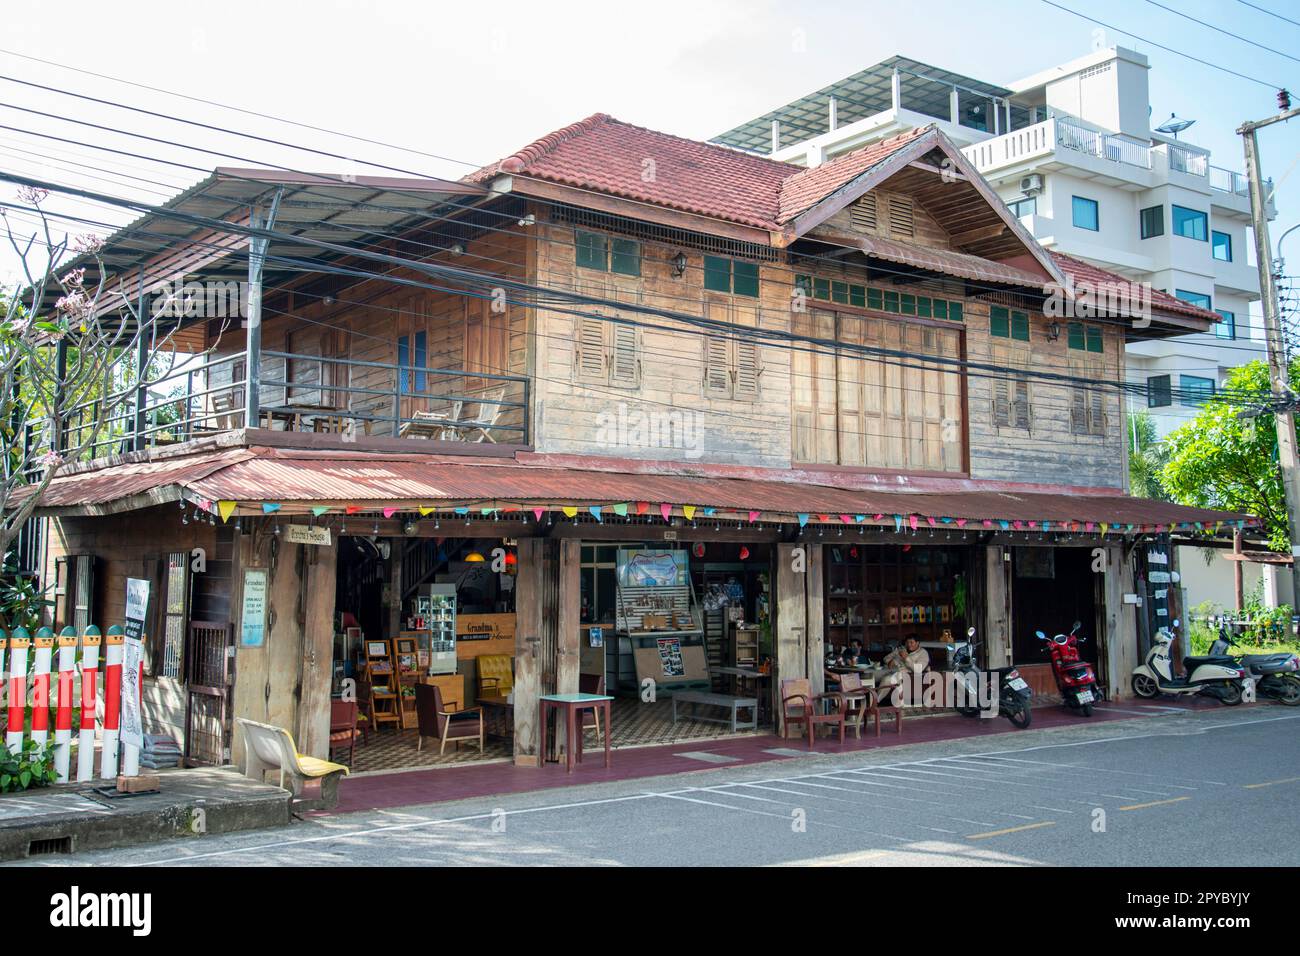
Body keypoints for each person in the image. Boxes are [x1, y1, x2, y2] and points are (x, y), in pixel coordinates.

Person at [878, 634, 930, 705]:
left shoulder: (923, 653)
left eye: (911, 642)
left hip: (906, 675)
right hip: (890, 670)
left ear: (917, 643)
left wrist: (906, 658)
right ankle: (862, 698)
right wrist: (893, 660)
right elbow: (885, 659)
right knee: (872, 675)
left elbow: (918, 669)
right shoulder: (901, 649)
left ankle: (875, 702)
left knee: (887, 679)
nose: (909, 645)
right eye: (907, 642)